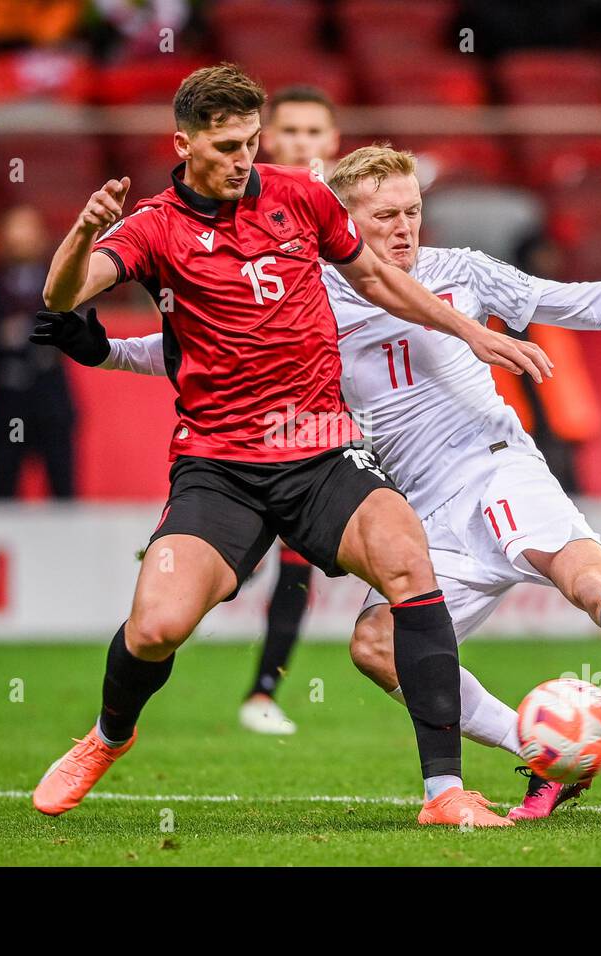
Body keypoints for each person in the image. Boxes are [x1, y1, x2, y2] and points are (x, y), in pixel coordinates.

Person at [94, 144, 601, 820]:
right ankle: (546, 749)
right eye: (384, 217)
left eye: (412, 211)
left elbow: (581, 303)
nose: (404, 229)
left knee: (585, 577)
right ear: (342, 222)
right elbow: (202, 348)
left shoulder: (462, 271)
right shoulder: (305, 297)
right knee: (374, 646)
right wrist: (104, 349)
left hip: (491, 465)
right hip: (415, 510)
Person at [28, 64, 554, 827]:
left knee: (407, 558)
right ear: (183, 143)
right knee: (155, 628)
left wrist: (472, 331)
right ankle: (108, 735)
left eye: (250, 142)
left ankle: (445, 794)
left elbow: (375, 278)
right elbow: (61, 296)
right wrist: (81, 235)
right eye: (226, 146)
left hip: (319, 449)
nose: (243, 159)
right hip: (220, 464)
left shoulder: (299, 197)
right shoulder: (151, 227)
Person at [238, 84, 343, 736]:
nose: (303, 142)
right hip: (261, 407)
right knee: (247, 560)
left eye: (315, 132)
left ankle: (263, 692)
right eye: (292, 131)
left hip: (341, 409)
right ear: (269, 140)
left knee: (302, 555)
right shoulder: (246, 210)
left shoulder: (358, 211)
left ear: (333, 142)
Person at [0, 204, 77, 499]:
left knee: (63, 494)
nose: (21, 239)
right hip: (8, 402)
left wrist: (21, 332)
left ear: (42, 237)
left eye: (27, 231)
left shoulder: (62, 283)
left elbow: (69, 331)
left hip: (52, 401)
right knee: (3, 493)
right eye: (14, 231)